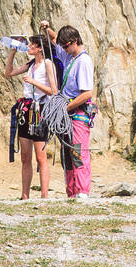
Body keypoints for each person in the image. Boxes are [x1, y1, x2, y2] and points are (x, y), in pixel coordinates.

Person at [40, 21, 96, 198]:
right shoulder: (68, 56)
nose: (63, 49)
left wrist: (66, 107)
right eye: (62, 46)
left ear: (75, 41)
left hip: (78, 112)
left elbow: (87, 93)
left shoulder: (83, 61)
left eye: (66, 45)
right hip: (68, 113)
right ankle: (71, 192)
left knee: (77, 152)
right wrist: (46, 28)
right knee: (67, 154)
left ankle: (82, 191)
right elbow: (55, 38)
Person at [5, 36, 57, 199]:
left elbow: (53, 90)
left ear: (40, 48)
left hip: (40, 109)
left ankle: (44, 196)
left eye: (32, 45)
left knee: (41, 156)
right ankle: (25, 195)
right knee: (25, 156)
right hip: (26, 109)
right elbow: (9, 73)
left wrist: (33, 82)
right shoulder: (30, 64)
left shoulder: (48, 64)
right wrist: (12, 53)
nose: (28, 47)